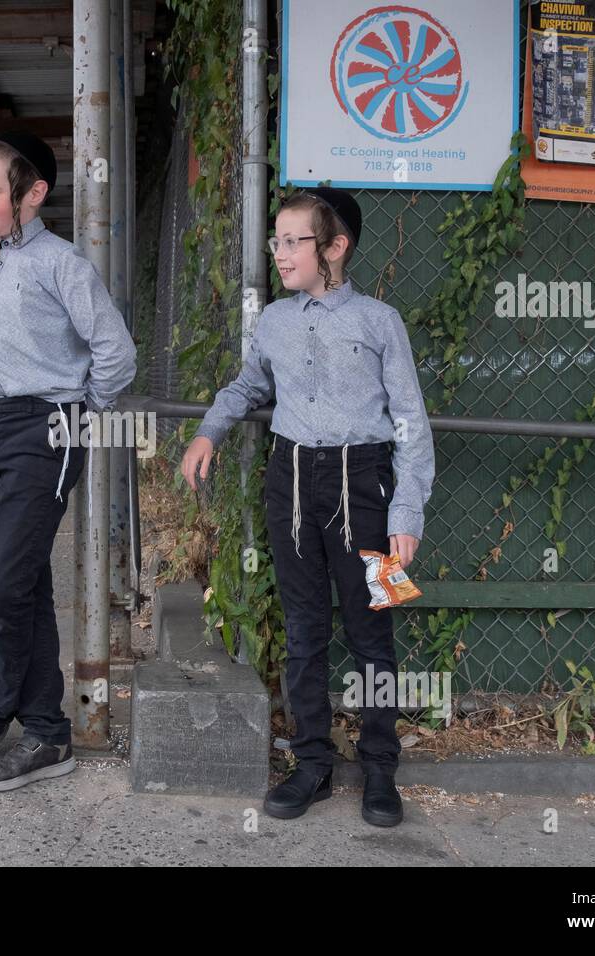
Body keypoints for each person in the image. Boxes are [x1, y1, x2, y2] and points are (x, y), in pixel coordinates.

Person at [180, 187, 434, 826]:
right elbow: (249, 383)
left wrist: (406, 513)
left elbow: (409, 420)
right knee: (304, 629)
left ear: (335, 247)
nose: (281, 253)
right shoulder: (275, 320)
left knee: (374, 628)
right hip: (291, 481)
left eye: (294, 240)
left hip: (365, 487)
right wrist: (210, 428)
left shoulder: (380, 322)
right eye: (277, 241)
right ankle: (312, 762)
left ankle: (380, 766)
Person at [0, 131, 137, 792]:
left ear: (32, 193)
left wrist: (77, 414)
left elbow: (117, 353)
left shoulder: (62, 263)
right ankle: (47, 732)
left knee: (0, 588)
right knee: (25, 586)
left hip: (47, 427)